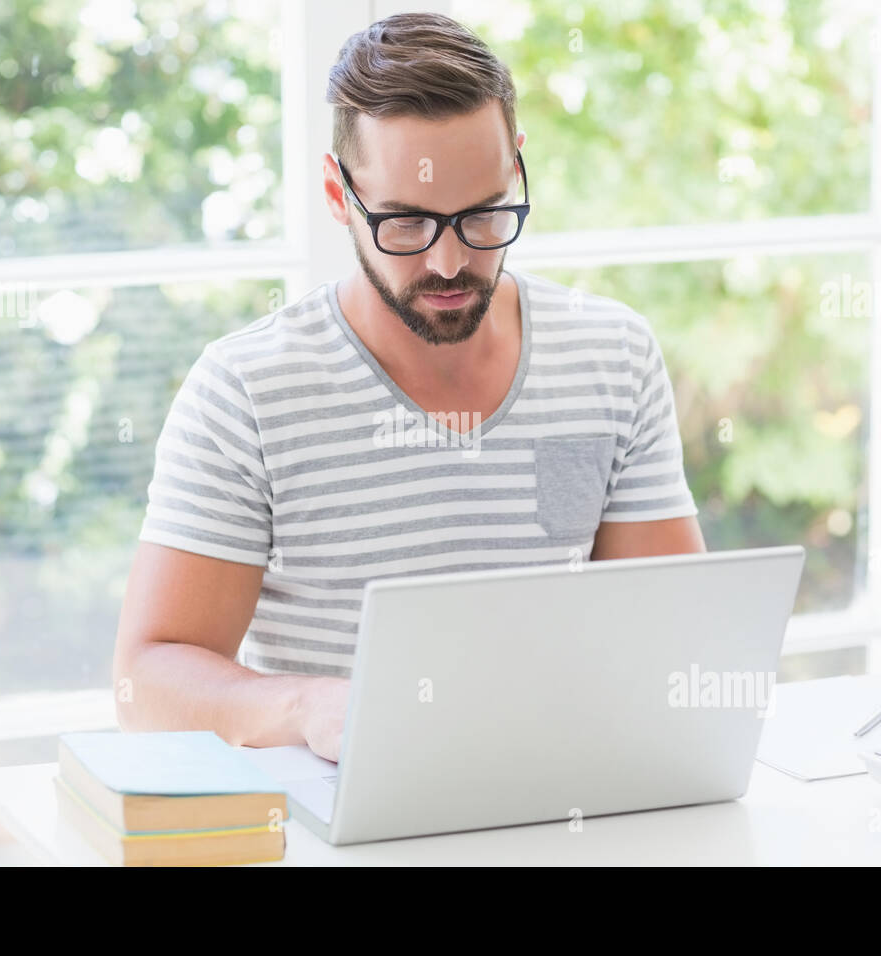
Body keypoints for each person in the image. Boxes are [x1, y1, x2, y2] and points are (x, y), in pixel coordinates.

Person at [113, 12, 705, 760]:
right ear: (338, 195)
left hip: (562, 800)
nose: (452, 264)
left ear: (516, 168)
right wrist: (308, 705)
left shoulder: (612, 355)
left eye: (484, 215)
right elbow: (145, 681)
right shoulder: (248, 392)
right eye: (406, 223)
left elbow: (677, 635)